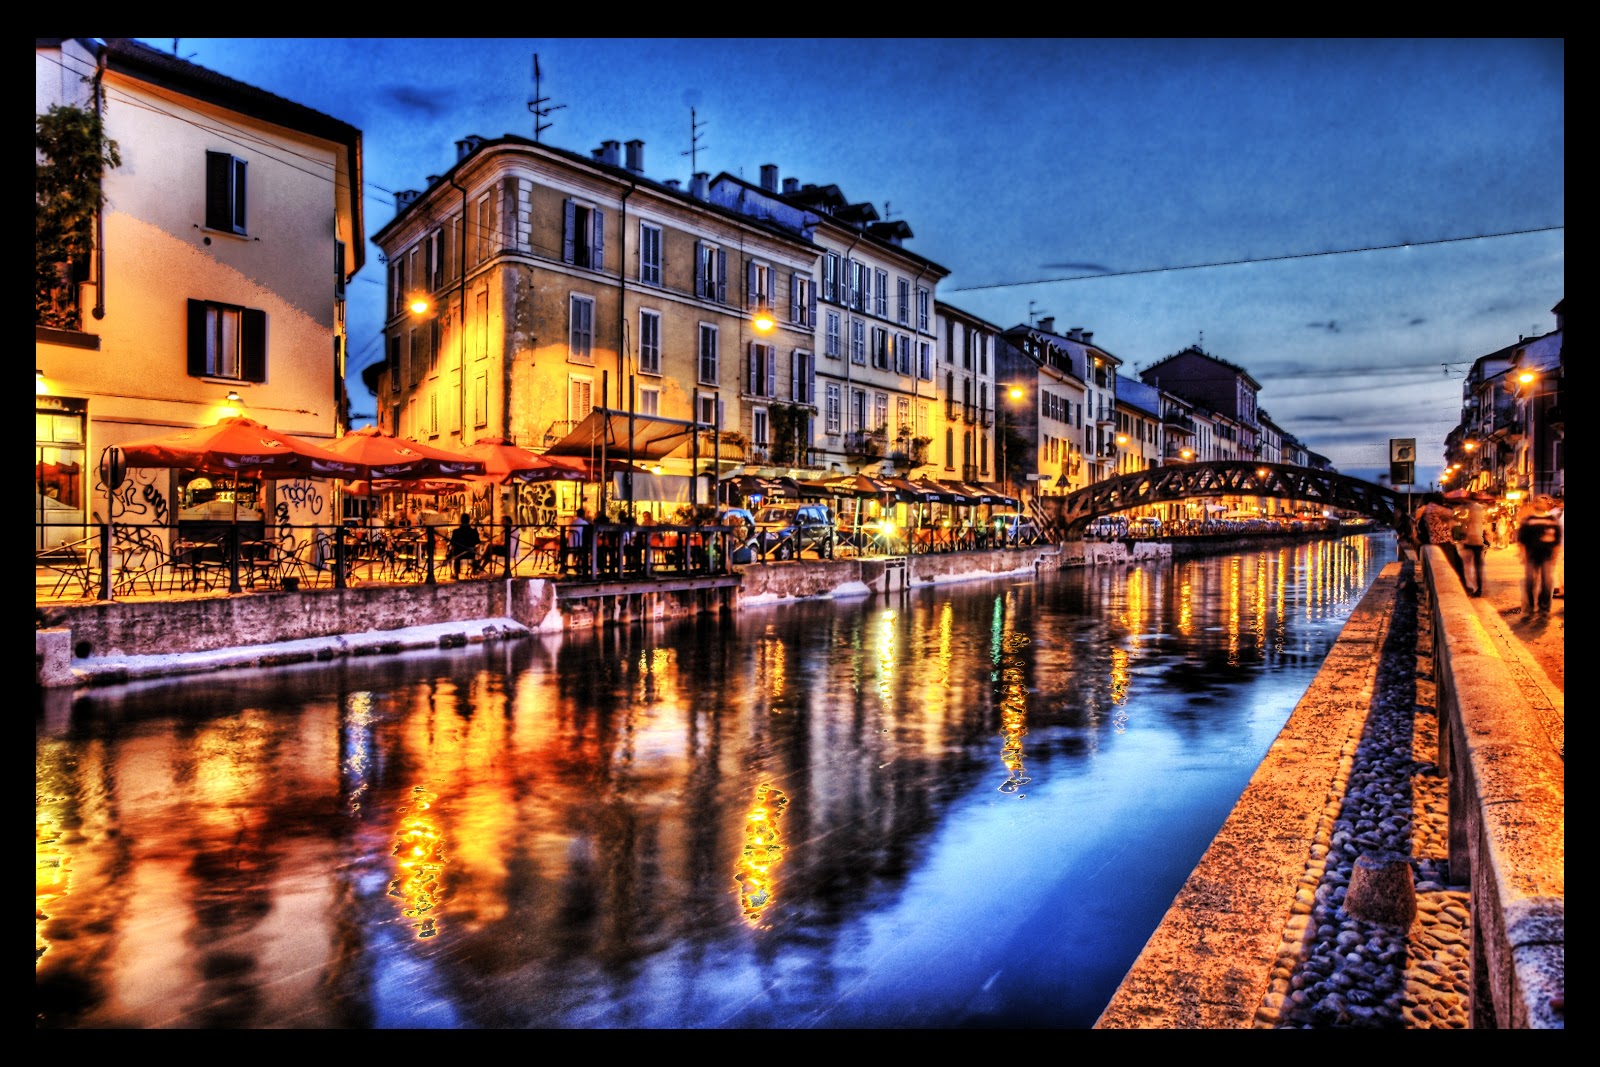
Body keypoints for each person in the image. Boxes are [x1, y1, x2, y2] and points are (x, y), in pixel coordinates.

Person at [1515, 494, 1561, 615]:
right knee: (1530, 581)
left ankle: (1544, 607)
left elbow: (1557, 540)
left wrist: (1555, 556)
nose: (1542, 504)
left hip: (1547, 556)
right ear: (1535, 504)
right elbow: (1521, 540)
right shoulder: (1528, 520)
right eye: (1539, 502)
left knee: (1547, 582)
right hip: (1531, 555)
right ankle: (1530, 606)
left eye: (1543, 502)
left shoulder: (1552, 520)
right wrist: (1523, 554)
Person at [1413, 495, 1465, 588]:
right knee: (1453, 566)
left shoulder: (1426, 509)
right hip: (1443, 541)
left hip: (1434, 540)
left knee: (1453, 565)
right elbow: (1452, 514)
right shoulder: (1434, 508)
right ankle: (1458, 587)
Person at [1456, 497, 1488, 597]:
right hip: (1479, 539)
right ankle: (1479, 589)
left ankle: (1469, 586)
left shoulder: (1467, 509)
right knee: (1478, 566)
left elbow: (1463, 522)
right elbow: (1484, 523)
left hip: (1470, 539)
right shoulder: (1481, 508)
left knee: (1466, 565)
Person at [447, 513, 481, 579]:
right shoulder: (474, 531)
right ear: (469, 520)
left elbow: (452, 543)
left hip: (458, 553)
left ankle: (456, 573)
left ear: (461, 520)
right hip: (471, 553)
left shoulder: (456, 532)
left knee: (453, 553)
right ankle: (474, 570)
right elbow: (478, 542)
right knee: (475, 554)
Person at [1550, 497, 1563, 598]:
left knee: (1558, 566)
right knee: (1556, 566)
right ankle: (1558, 587)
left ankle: (1560, 588)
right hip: (1557, 544)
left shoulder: (1553, 513)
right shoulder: (1553, 513)